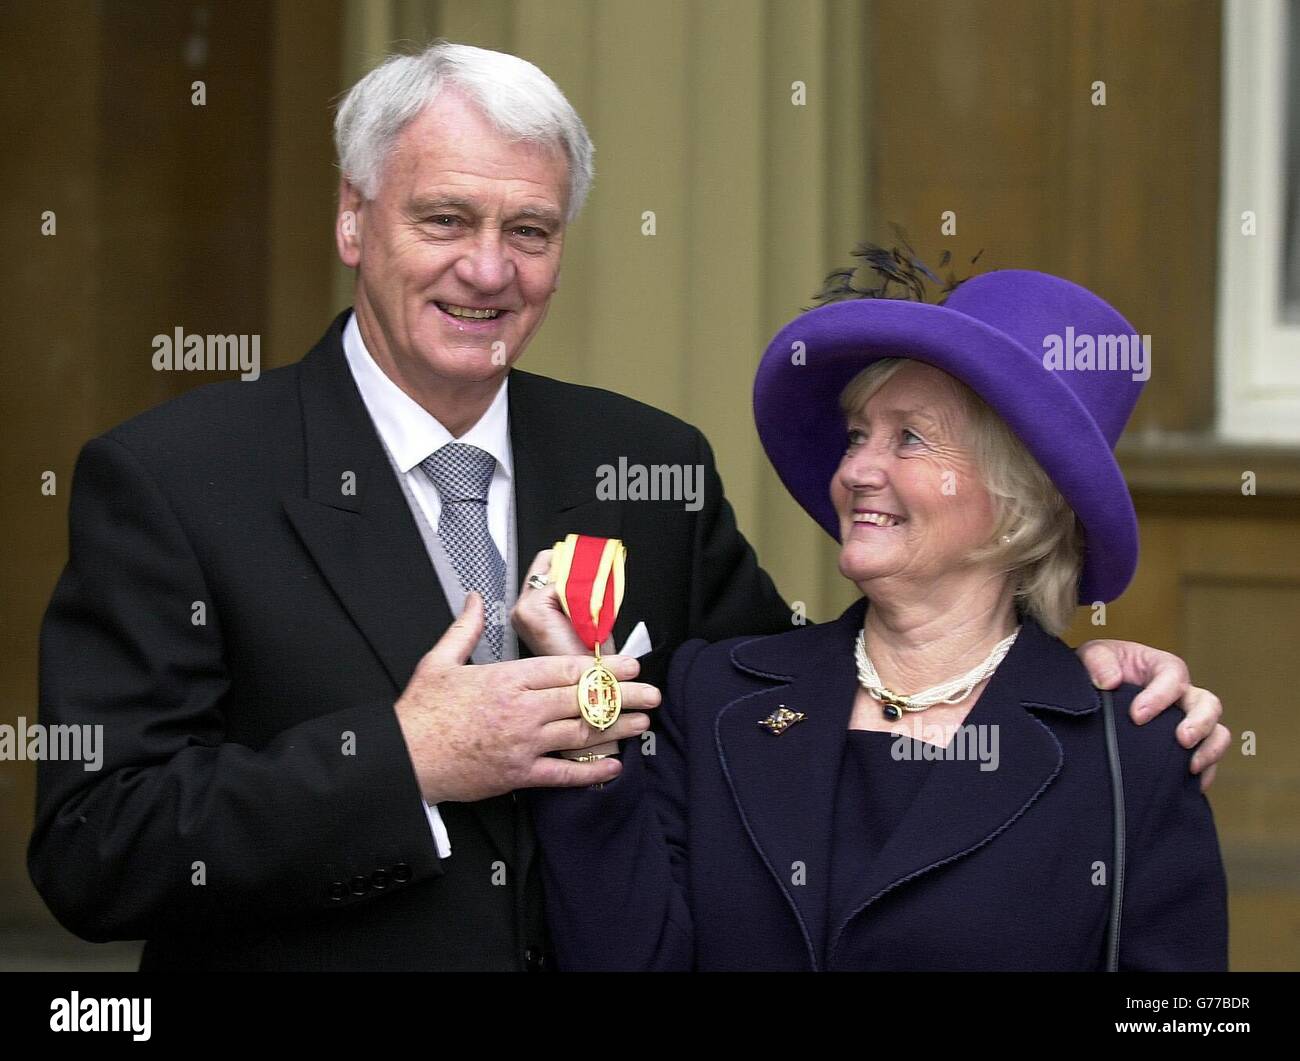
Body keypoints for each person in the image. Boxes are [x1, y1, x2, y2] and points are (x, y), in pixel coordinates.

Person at [29, 41, 1225, 972]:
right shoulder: (177, 478)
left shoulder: (640, 462)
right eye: (444, 217)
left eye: (529, 231)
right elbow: (96, 849)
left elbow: (809, 686)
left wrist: (1062, 668)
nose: (487, 268)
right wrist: (404, 760)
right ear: (354, 217)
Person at [522, 267, 1229, 970]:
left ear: (1020, 496)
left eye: (910, 438)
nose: (857, 468)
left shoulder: (1127, 749)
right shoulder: (717, 696)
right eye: (858, 435)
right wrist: (586, 721)